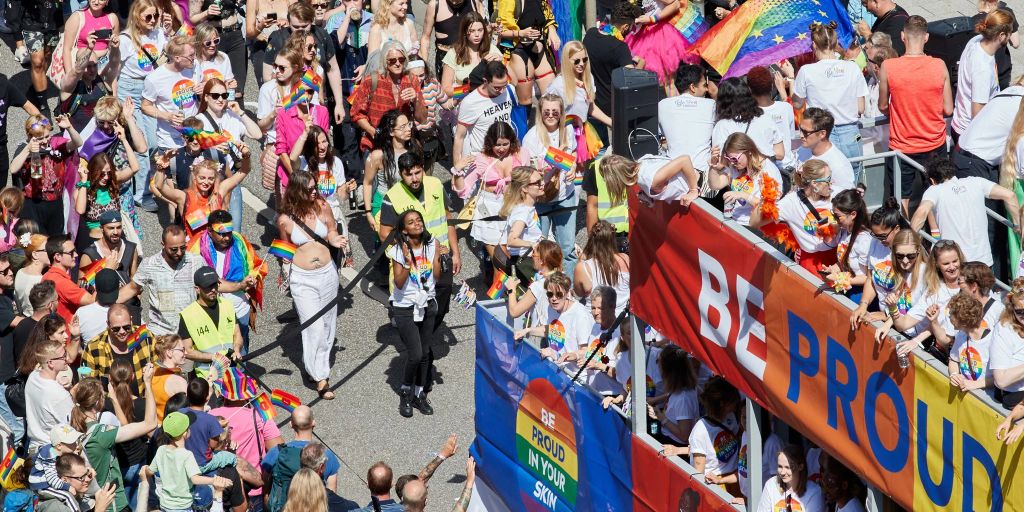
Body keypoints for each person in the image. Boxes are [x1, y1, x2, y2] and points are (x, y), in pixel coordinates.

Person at [277, 171, 347, 399]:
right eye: (309, 189)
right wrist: (282, 269)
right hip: (303, 278)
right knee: (313, 327)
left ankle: (318, 369)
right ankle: (320, 377)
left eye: (314, 186)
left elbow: (331, 229)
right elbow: (285, 250)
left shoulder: (322, 206)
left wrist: (334, 239)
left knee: (327, 326)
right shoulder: (285, 220)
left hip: (327, 274)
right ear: (297, 191)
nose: (314, 191)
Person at [378, 152, 461, 330]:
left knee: (442, 302)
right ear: (401, 174)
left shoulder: (435, 184)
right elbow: (385, 234)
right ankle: (422, 343)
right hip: (415, 263)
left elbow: (448, 219)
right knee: (416, 307)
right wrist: (408, 252)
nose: (415, 178)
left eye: (418, 172)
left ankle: (427, 336)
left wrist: (456, 253)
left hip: (441, 257)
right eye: (409, 174)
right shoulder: (392, 197)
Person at [877, 15, 954, 208]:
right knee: (939, 194)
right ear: (926, 38)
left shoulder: (888, 66)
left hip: (902, 146)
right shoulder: (939, 65)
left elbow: (882, 106)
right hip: (934, 144)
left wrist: (898, 113)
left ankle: (906, 235)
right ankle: (938, 235)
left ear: (903, 36)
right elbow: (948, 108)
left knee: (902, 198)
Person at [69, 373, 157, 512]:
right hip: (113, 504)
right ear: (98, 402)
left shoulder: (74, 426)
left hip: (94, 502)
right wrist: (148, 384)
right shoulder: (101, 434)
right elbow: (150, 423)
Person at [911, 159, 1019, 267]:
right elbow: (1010, 195)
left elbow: (921, 212)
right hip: (984, 261)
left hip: (956, 263)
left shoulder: (934, 190)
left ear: (932, 181)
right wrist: (1017, 225)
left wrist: (910, 241)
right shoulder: (977, 182)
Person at [186, 210, 267, 355]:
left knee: (241, 353)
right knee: (215, 355)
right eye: (221, 233)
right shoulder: (197, 248)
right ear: (210, 231)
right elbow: (212, 282)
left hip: (239, 309)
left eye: (229, 232)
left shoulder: (240, 241)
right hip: (211, 312)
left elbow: (255, 265)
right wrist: (240, 285)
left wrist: (252, 278)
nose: (227, 237)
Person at [388, 209, 441, 418]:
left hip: (428, 303)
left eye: (419, 220)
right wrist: (409, 262)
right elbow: (399, 284)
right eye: (411, 222)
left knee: (426, 352)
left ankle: (420, 394)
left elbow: (436, 274)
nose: (417, 224)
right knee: (416, 353)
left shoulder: (431, 244)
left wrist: (437, 256)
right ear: (404, 229)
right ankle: (405, 391)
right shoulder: (398, 250)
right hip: (405, 306)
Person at [140, 34, 200, 212]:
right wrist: (167, 116)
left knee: (195, 183)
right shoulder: (155, 78)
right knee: (174, 192)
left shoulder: (195, 68)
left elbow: (204, 92)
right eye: (190, 55)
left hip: (194, 136)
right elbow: (145, 106)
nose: (194, 57)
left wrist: (203, 89)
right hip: (169, 140)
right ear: (176, 58)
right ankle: (177, 228)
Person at [792, 21, 867, 164]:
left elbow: (797, 104)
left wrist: (791, 83)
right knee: (852, 180)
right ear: (836, 42)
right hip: (849, 132)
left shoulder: (806, 71)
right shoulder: (852, 68)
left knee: (824, 179)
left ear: (814, 45)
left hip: (822, 134)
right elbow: (861, 108)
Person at [116, 0, 167, 210]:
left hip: (150, 90)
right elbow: (114, 69)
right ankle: (142, 194)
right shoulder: (125, 40)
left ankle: (148, 181)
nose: (153, 21)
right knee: (142, 144)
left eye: (155, 16)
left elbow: (165, 54)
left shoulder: (158, 33)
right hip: (130, 90)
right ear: (137, 16)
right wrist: (114, 96)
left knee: (155, 142)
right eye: (148, 17)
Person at [262, 2, 346, 124]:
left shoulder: (322, 36)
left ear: (311, 21)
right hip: (287, 104)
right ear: (289, 22)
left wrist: (339, 104)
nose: (300, 30)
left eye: (305, 26)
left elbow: (333, 70)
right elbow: (268, 77)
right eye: (296, 27)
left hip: (314, 104)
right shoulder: (277, 40)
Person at [209, 372, 283, 510]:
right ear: (247, 394)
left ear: (223, 394)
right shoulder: (259, 416)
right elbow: (277, 450)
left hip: (218, 485)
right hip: (254, 487)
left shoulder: (211, 416)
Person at [453, 122, 527, 260]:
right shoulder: (482, 159)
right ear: (489, 142)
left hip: (514, 208)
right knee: (501, 262)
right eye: (497, 144)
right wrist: (457, 171)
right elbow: (463, 190)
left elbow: (529, 181)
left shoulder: (521, 154)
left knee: (514, 259)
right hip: (490, 210)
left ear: (511, 140)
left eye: (505, 144)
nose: (501, 149)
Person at [523, 95, 579, 275]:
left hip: (566, 195)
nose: (551, 115)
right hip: (542, 199)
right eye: (546, 111)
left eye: (555, 112)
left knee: (568, 248)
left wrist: (573, 166)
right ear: (540, 112)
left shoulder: (568, 130)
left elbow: (574, 153)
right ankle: (538, 290)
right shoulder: (532, 137)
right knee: (538, 250)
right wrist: (543, 169)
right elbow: (526, 172)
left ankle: (567, 290)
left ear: (561, 113)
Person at [195, 78, 262, 226]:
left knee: (234, 227)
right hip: (208, 181)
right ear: (206, 97)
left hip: (231, 179)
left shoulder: (233, 117)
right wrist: (210, 144)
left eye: (224, 95)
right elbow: (190, 147)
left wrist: (241, 112)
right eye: (215, 96)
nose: (220, 99)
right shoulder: (198, 121)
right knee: (208, 228)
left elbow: (257, 134)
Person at [752, 160, 838, 272]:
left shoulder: (836, 193)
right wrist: (764, 199)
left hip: (838, 256)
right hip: (812, 262)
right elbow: (754, 223)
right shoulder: (791, 202)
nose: (832, 183)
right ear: (814, 184)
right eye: (828, 180)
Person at [120, 225, 206, 336]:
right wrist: (103, 302)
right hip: (160, 332)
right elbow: (132, 288)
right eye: (174, 249)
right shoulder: (149, 264)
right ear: (163, 245)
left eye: (183, 247)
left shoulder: (196, 261)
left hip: (190, 332)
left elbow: (211, 285)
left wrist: (235, 286)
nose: (179, 252)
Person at [145, 411, 234, 511]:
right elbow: (195, 479)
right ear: (185, 433)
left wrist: (145, 470)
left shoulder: (161, 450)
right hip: (182, 507)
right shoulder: (187, 455)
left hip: (165, 505)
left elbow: (150, 471)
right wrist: (215, 480)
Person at [582, 1, 644, 144]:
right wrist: (641, 63)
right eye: (631, 27)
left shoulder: (590, 34)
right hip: (611, 107)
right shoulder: (620, 48)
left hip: (590, 102)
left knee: (596, 151)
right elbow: (630, 80)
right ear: (625, 27)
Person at [10, 115, 84, 236]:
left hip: (55, 203)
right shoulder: (24, 148)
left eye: (47, 136)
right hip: (33, 203)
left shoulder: (55, 146)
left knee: (55, 239)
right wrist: (28, 150)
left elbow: (78, 143)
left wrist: (69, 127)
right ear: (30, 136)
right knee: (36, 239)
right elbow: (13, 169)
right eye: (39, 138)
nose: (44, 141)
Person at [154, 149, 252, 240]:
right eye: (202, 177)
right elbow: (159, 186)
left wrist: (246, 156)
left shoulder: (219, 192)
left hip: (218, 247)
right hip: (195, 252)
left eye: (210, 178)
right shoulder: (184, 197)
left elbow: (244, 171)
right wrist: (161, 166)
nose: (206, 182)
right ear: (195, 177)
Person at [351, 41, 427, 153]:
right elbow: (357, 113)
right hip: (375, 145)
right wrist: (373, 131)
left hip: (403, 145)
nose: (397, 63)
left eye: (401, 60)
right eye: (392, 60)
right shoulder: (371, 81)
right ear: (385, 62)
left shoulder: (412, 80)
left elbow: (423, 119)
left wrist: (415, 100)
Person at [953, 9, 1014, 143]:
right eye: (1010, 33)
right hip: (970, 134)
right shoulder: (983, 69)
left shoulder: (976, 40)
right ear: (1002, 35)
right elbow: (977, 114)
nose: (1010, 37)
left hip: (960, 123)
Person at [889, 239, 965, 345]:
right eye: (946, 263)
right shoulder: (935, 290)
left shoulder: (971, 284)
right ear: (937, 265)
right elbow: (902, 325)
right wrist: (892, 307)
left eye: (955, 261)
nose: (952, 267)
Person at [707, 133, 785, 228]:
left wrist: (743, 195)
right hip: (734, 222)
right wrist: (713, 167)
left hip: (755, 228)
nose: (731, 162)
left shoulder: (768, 171)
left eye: (734, 159)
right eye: (728, 158)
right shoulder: (737, 167)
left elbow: (770, 208)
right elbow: (715, 185)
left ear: (749, 151)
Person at [290, 124, 356, 236]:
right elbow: (292, 158)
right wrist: (305, 133)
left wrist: (347, 189)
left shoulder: (336, 163)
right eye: (316, 144)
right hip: (310, 216)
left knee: (342, 251)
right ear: (310, 146)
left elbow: (341, 196)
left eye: (324, 141)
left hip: (333, 214)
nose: (322, 147)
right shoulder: (303, 163)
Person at [659, 64, 715, 193]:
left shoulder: (662, 105)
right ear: (692, 87)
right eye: (704, 85)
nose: (707, 90)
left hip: (672, 176)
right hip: (703, 178)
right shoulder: (711, 105)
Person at [515, 272, 595, 364]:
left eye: (559, 294)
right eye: (550, 294)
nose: (554, 298)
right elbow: (550, 329)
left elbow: (586, 351)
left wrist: (559, 355)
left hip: (573, 373)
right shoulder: (551, 307)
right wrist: (527, 331)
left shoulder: (580, 314)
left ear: (567, 293)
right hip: (554, 367)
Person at [178, 266, 243, 378]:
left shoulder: (227, 305)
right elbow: (187, 351)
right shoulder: (188, 315)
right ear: (197, 289)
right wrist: (213, 357)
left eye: (215, 285)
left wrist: (237, 349)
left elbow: (237, 334)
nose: (213, 289)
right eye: (208, 286)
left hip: (232, 372)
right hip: (207, 376)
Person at [928, 292, 996, 399]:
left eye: (951, 315)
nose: (949, 317)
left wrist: (974, 384)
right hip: (964, 396)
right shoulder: (961, 335)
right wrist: (954, 375)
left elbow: (1000, 378)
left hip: (987, 400)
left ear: (962, 320)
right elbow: (954, 360)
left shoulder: (993, 341)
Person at [80, 304, 155, 394]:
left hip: (142, 402)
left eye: (127, 327)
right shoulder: (94, 347)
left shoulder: (144, 337)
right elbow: (88, 386)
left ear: (131, 320)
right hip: (110, 405)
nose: (122, 331)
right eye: (116, 329)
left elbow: (160, 370)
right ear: (108, 324)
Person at [262, 406, 341, 491]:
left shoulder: (276, 452)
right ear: (313, 423)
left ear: (290, 424)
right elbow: (332, 492)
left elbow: (264, 483)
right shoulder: (327, 455)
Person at [73, 153, 139, 252]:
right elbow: (80, 210)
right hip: (94, 242)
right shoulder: (84, 188)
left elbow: (135, 168)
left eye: (109, 173)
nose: (106, 177)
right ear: (94, 171)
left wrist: (124, 140)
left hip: (116, 238)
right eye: (102, 174)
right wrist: (83, 180)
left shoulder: (112, 183)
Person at [711, 78, 785, 164]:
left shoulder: (722, 126)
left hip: (740, 176)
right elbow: (780, 154)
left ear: (723, 101)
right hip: (768, 174)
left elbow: (720, 162)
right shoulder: (765, 118)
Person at [689, 376, 742, 494]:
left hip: (734, 481)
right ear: (723, 403)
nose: (736, 404)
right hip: (715, 488)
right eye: (733, 401)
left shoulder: (731, 417)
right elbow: (698, 473)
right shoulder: (700, 431)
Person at [363, 110, 412, 229]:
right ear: (391, 131)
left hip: (407, 201)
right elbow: (367, 183)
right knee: (388, 244)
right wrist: (368, 212)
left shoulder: (413, 150)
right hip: (383, 204)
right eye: (402, 127)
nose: (408, 129)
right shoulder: (378, 156)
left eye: (409, 124)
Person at [452, 60, 512, 158]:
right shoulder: (470, 102)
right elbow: (459, 136)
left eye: (504, 86)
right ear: (485, 81)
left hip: (506, 153)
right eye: (497, 87)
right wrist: (457, 164)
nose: (502, 91)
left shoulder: (509, 90)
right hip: (483, 157)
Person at [823, 189, 872, 303]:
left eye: (838, 216)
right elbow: (845, 262)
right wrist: (833, 269)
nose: (835, 220)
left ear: (853, 214)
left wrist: (840, 279)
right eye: (833, 215)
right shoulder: (844, 231)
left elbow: (867, 277)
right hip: (848, 290)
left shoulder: (864, 240)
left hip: (860, 295)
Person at [25, 339, 74, 453]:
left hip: (33, 448)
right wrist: (73, 393)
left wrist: (58, 382)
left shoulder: (33, 377)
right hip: (52, 451)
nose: (67, 359)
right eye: (63, 357)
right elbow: (74, 424)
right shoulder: (60, 395)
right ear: (50, 363)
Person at [747, 65, 798, 173]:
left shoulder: (748, 115)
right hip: (788, 166)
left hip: (764, 170)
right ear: (772, 85)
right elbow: (792, 137)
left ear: (750, 89)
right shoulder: (786, 107)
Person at [497, 166, 546, 277]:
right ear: (524, 188)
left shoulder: (528, 207)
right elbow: (511, 240)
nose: (542, 184)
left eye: (542, 179)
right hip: (525, 263)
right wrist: (532, 244)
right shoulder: (522, 212)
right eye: (537, 182)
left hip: (529, 259)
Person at [439, 12, 500, 98]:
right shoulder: (454, 53)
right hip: (465, 102)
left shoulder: (492, 49)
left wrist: (502, 61)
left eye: (480, 30)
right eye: (472, 31)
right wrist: (469, 89)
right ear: (464, 32)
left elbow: (509, 81)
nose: (477, 35)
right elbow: (446, 89)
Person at [574, 221, 629, 314]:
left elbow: (579, 293)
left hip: (594, 321)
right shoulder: (625, 258)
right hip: (623, 320)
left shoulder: (583, 267)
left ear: (592, 240)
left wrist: (580, 260)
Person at [798, 108, 857, 193]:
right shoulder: (803, 149)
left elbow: (847, 200)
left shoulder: (839, 165)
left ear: (822, 134)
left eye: (805, 132)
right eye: (800, 129)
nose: (801, 135)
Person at [505, 240, 563, 326]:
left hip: (540, 332)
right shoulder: (562, 278)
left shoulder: (538, 286)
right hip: (558, 328)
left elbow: (514, 312)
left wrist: (511, 289)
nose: (531, 256)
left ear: (542, 260)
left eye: (534, 253)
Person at [419, 0, 483, 78]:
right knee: (447, 89)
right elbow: (425, 37)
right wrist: (423, 66)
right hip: (445, 58)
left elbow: (483, 30)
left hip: (470, 56)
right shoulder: (435, 5)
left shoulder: (475, 2)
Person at [35, 453, 117, 512]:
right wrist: (100, 509)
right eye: (81, 477)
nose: (88, 479)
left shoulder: (75, 496)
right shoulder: (56, 507)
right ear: (64, 480)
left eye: (87, 474)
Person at [79, 211, 139, 289]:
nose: (115, 232)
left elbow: (134, 281)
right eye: (111, 228)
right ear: (102, 229)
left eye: (118, 227)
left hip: (127, 299)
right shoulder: (90, 254)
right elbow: (82, 288)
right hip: (101, 299)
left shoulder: (130, 248)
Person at [756, 445, 826, 512]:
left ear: (800, 467)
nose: (783, 472)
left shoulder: (814, 492)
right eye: (780, 466)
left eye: (788, 467)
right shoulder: (771, 485)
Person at [43, 235, 95, 323]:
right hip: (67, 334)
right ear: (57, 256)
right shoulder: (61, 282)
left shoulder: (48, 275)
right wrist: (106, 271)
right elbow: (92, 300)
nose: (76, 255)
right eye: (71, 252)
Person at [972, 0, 1020, 89]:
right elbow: (1016, 44)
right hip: (1002, 68)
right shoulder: (1007, 14)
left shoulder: (973, 21)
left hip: (983, 70)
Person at [13, 234, 48, 316]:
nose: (52, 252)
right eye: (47, 249)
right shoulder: (40, 280)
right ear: (35, 254)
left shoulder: (20, 272)